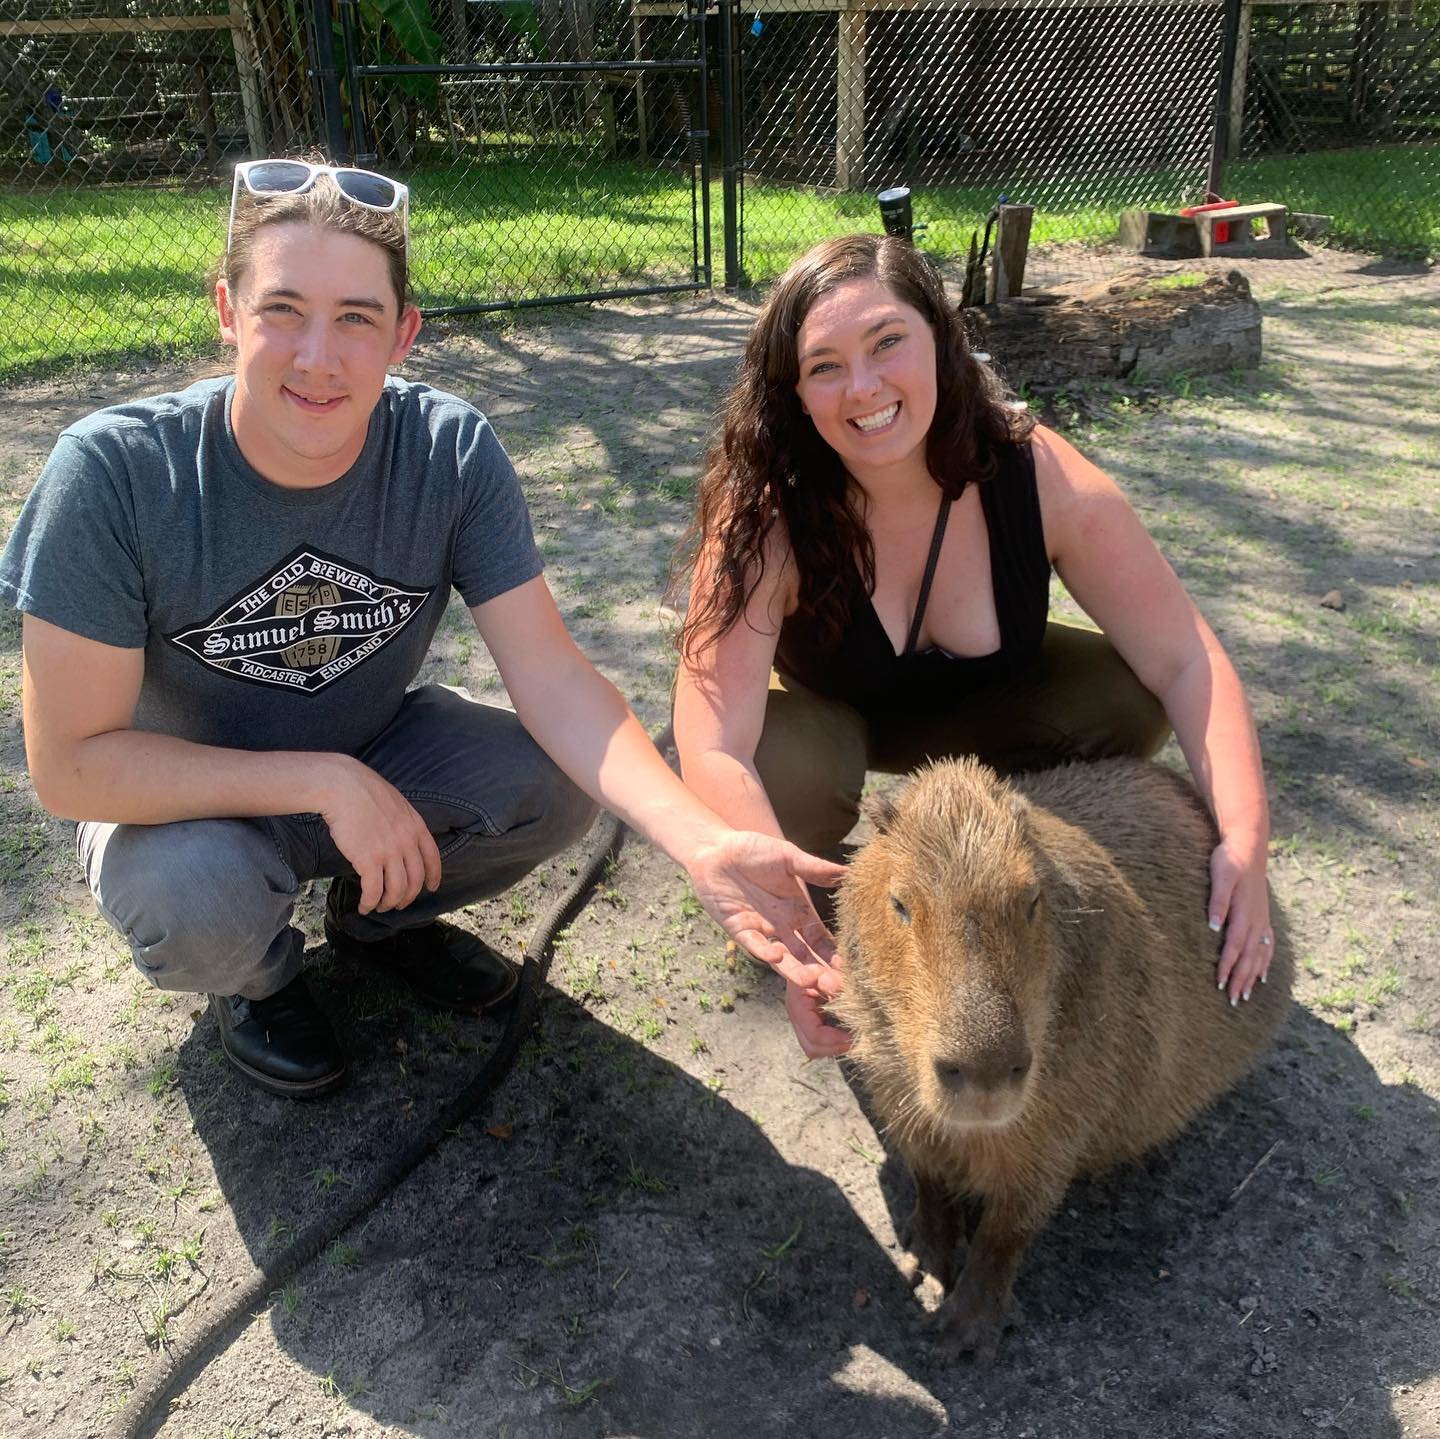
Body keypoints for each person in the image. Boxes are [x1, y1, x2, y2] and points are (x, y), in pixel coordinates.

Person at [0, 159, 844, 1099]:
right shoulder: (114, 474)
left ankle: (379, 922)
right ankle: (260, 980)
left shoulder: (447, 449)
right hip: (187, 802)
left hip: (374, 747)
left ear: (404, 334)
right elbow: (70, 765)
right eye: (283, 309)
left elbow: (556, 677)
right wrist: (323, 781)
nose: (317, 356)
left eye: (356, 317)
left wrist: (702, 841)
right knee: (191, 901)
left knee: (558, 784)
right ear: (227, 312)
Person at [672, 233, 1275, 1059]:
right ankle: (814, 897)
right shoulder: (762, 517)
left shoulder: (1034, 472)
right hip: (842, 727)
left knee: (1128, 694)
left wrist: (1245, 841)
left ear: (940, 340)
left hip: (998, 721)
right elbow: (711, 742)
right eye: (825, 366)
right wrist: (798, 951)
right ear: (795, 394)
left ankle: (1008, 896)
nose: (864, 386)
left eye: (888, 342)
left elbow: (1186, 658)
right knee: (784, 762)